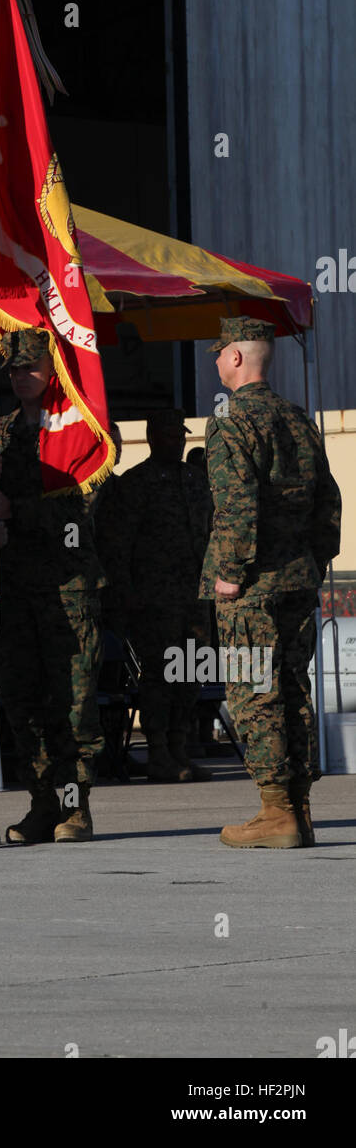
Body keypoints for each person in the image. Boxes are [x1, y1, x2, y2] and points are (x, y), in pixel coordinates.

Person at [201, 316, 341, 848]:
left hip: (252, 587)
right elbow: (329, 501)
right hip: (297, 581)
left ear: (237, 357)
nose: (215, 361)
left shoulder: (233, 422)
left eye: (219, 353)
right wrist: (316, 561)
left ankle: (276, 810)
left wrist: (230, 574)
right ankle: (299, 809)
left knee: (253, 690)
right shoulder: (298, 419)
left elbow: (236, 505)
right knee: (291, 685)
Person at [0, 328, 106, 845]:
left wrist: (18, 510)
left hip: (67, 587)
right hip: (16, 587)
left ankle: (75, 808)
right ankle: (40, 804)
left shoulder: (78, 427)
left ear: (51, 370)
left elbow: (83, 505)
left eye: (29, 367)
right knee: (24, 701)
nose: (19, 376)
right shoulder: (2, 431)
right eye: (12, 369)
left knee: (72, 705)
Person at [99, 409, 213, 782]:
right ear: (151, 438)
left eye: (180, 435)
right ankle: (159, 752)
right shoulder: (136, 484)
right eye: (168, 435)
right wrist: (126, 593)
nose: (177, 442)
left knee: (191, 672)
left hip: (194, 595)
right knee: (160, 676)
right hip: (153, 598)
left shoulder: (195, 480)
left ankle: (181, 747)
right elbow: (118, 545)